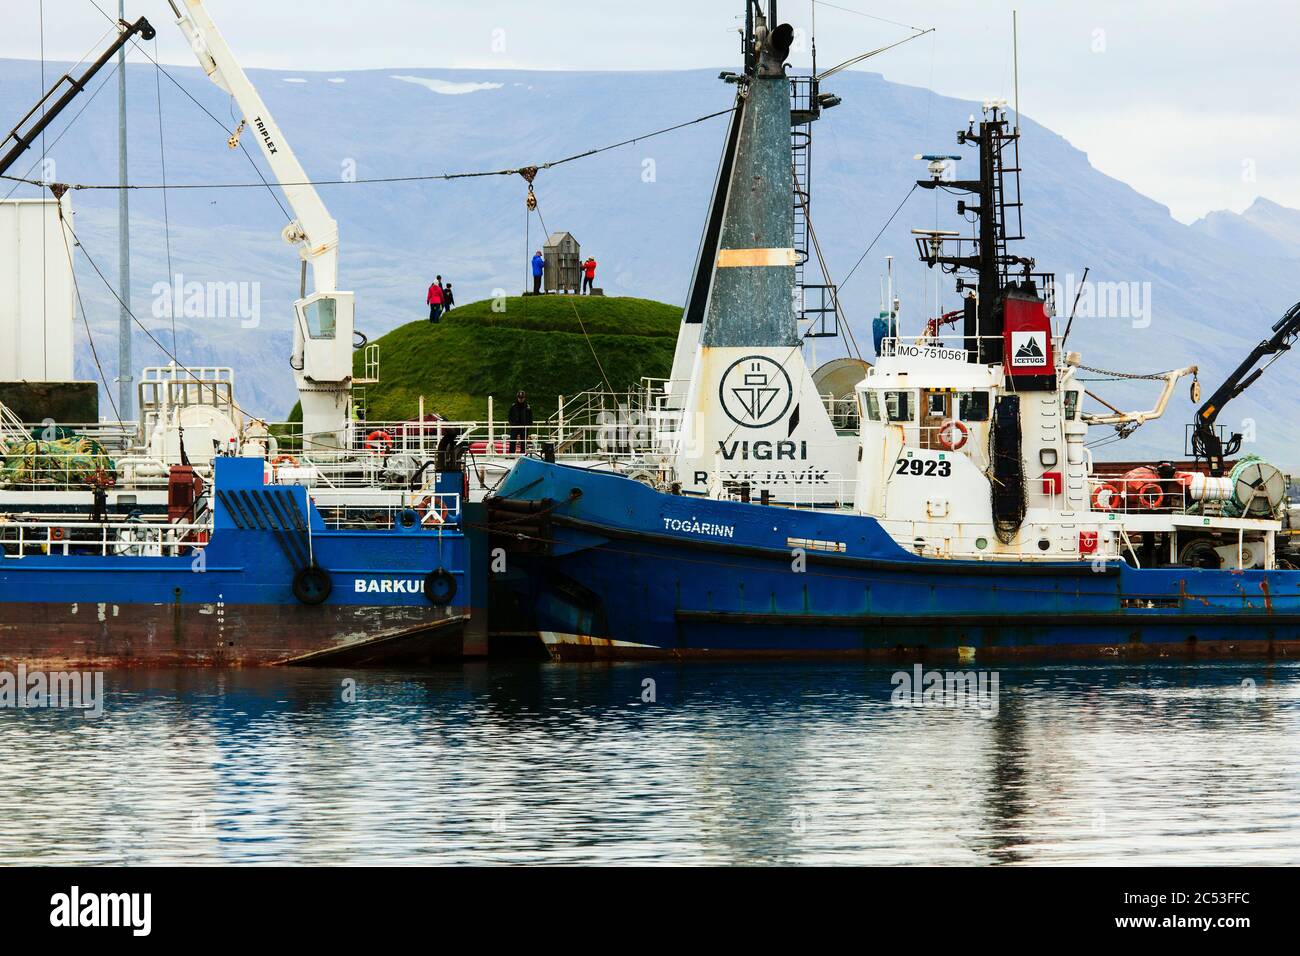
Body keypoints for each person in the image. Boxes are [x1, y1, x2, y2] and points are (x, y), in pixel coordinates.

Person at [507, 390, 532, 455]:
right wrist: (511, 424)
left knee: (523, 442)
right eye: (519, 398)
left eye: (522, 398)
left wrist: (528, 426)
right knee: (512, 440)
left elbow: (530, 417)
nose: (521, 399)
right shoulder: (513, 406)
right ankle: (511, 454)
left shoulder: (527, 407)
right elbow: (510, 416)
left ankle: (522, 455)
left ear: (524, 398)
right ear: (517, 398)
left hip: (524, 427)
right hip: (515, 426)